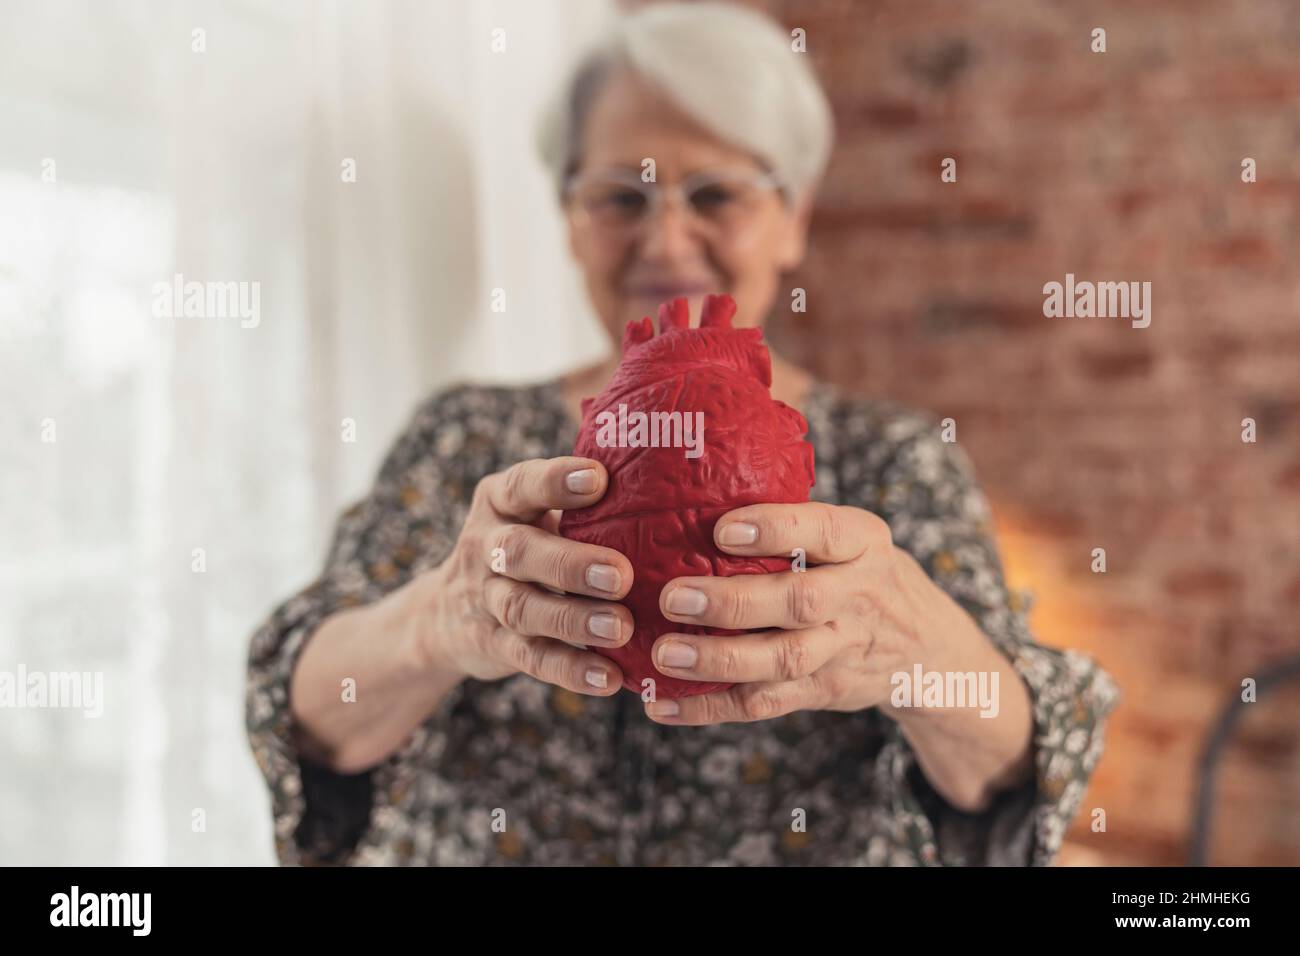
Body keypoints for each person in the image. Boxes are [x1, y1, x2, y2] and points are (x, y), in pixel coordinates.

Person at [246, 1, 1118, 866]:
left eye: (717, 194)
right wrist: (436, 623)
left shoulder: (892, 457)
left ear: (794, 219)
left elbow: (1010, 779)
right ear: (570, 220)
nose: (666, 238)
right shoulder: (468, 436)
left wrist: (920, 654)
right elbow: (308, 721)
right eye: (621, 195)